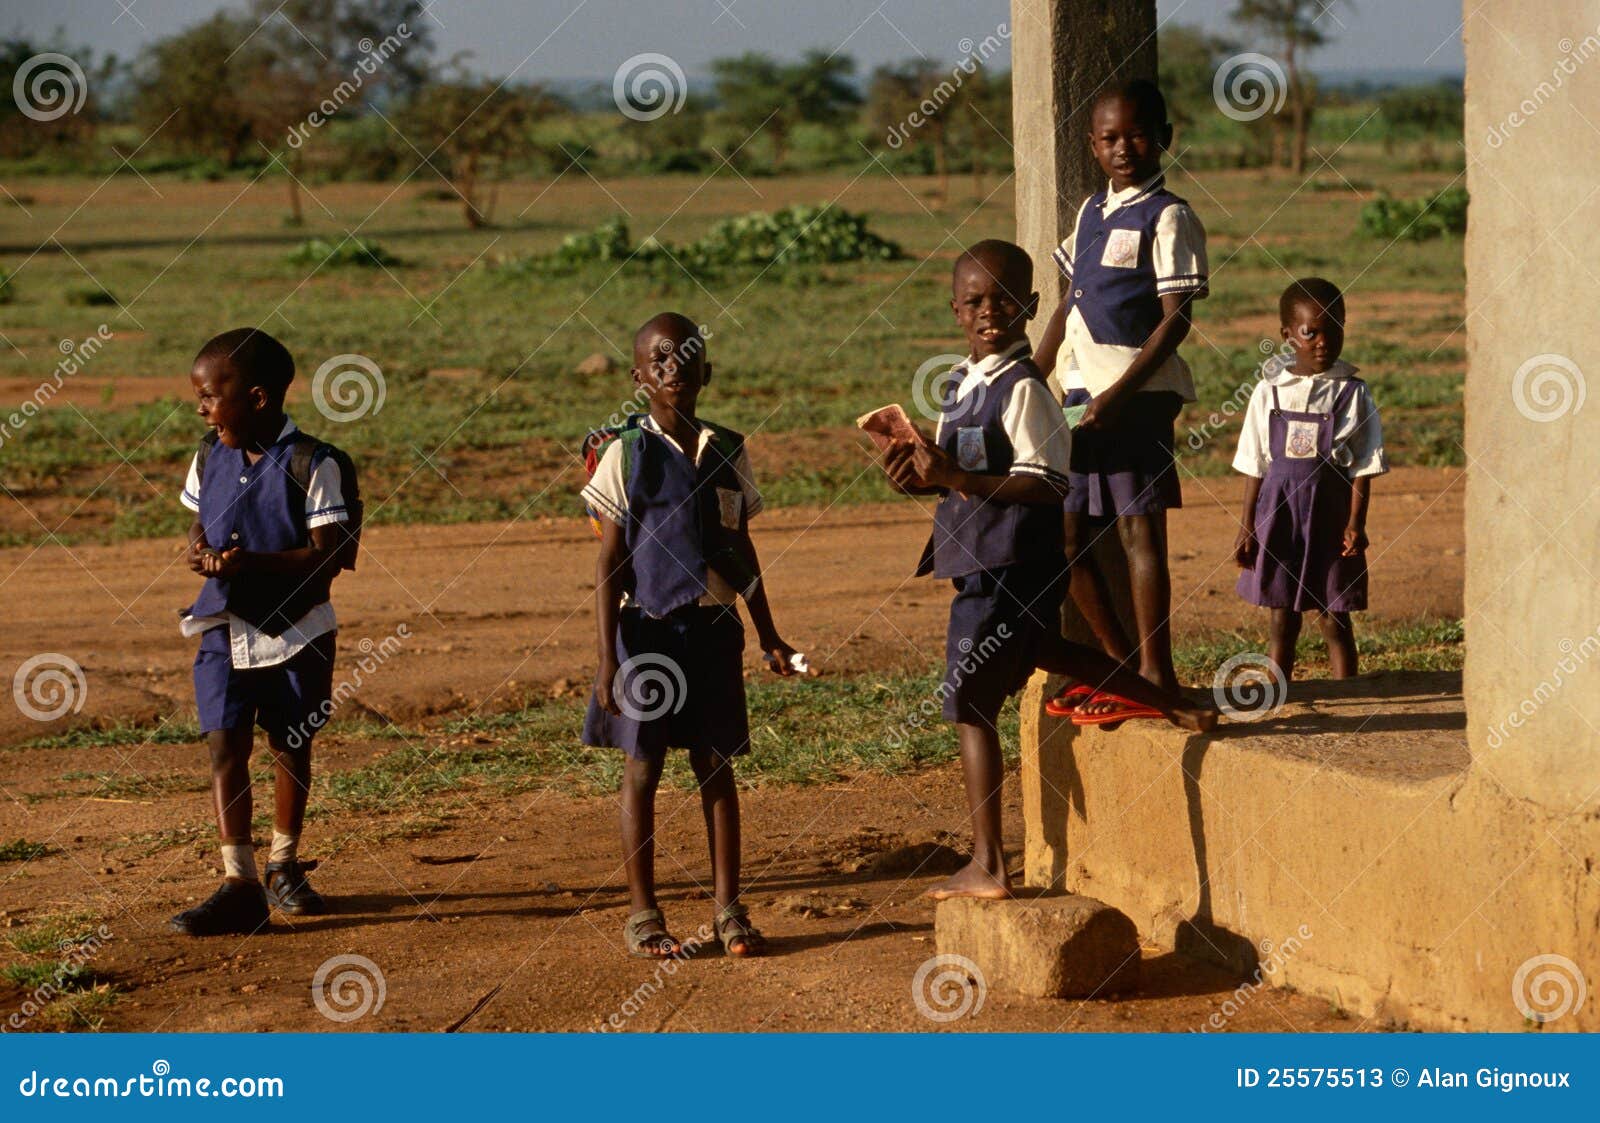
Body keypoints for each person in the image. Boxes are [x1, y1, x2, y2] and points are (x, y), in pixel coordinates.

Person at [884, 240, 1216, 901]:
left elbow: (1045, 484)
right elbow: (965, 473)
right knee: (1051, 649)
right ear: (955, 309)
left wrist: (955, 476)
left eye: (1004, 299)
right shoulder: (962, 383)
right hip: (991, 563)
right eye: (975, 300)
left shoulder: (1025, 389)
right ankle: (1172, 699)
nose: (989, 311)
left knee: (971, 705)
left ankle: (988, 863)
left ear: (1032, 307)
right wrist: (921, 476)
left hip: (1010, 564)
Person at [582, 312, 803, 958]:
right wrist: (606, 660)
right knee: (643, 766)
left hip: (713, 629)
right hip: (646, 630)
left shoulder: (727, 451)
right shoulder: (628, 451)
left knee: (716, 764)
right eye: (659, 360)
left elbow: (742, 548)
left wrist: (769, 633)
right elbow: (609, 563)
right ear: (638, 376)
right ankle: (644, 913)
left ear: (707, 370)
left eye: (685, 358)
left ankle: (730, 909)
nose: (673, 369)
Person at [1032, 79, 1210, 721]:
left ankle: (1156, 671)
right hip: (1080, 400)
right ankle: (1119, 666)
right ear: (1092, 146)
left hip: (1135, 399)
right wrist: (1032, 376)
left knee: (1139, 533)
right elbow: (1069, 304)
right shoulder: (1089, 213)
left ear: (1164, 136)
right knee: (1069, 536)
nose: (1123, 147)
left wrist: (1120, 391)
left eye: (1136, 134)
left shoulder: (1169, 215)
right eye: (1109, 138)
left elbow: (1177, 318)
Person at [170, 328, 356, 936]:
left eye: (209, 396)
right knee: (225, 743)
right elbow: (199, 526)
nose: (201, 407)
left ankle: (284, 864)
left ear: (255, 398)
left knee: (288, 743)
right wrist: (204, 556)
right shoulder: (209, 454)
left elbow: (327, 556)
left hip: (295, 631)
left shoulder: (315, 463)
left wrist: (252, 563)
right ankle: (238, 881)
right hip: (223, 621)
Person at [1233, 278, 1386, 681]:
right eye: (1310, 332)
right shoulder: (1268, 391)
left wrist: (1356, 522)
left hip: (1330, 518)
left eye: (1334, 329)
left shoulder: (1352, 392)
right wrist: (1247, 525)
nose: (1323, 342)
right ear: (1287, 335)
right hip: (1278, 514)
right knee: (1282, 619)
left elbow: (1364, 464)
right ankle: (1278, 696)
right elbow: (1256, 464)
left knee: (1335, 618)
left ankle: (1347, 696)